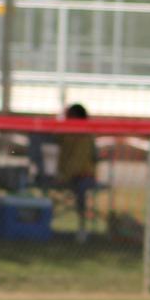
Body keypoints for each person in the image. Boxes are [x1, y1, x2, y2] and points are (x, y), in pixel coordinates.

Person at [57, 103, 99, 242]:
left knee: (81, 190)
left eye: (69, 116)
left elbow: (80, 161)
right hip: (67, 176)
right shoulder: (65, 133)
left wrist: (66, 175)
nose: (67, 118)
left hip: (83, 176)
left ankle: (82, 227)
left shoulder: (86, 135)